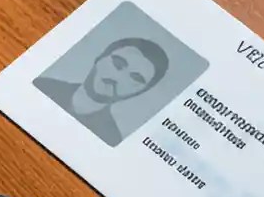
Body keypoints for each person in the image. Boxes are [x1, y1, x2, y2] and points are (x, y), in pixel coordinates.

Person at [34, 37, 169, 146]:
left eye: (135, 78)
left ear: (139, 92)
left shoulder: (109, 139)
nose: (117, 77)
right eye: (118, 63)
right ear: (99, 58)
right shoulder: (42, 85)